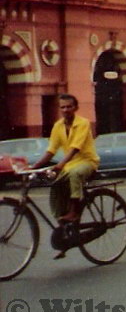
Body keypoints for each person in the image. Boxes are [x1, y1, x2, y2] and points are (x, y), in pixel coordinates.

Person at [31, 94, 100, 223]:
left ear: (75, 108)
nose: (65, 110)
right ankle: (61, 217)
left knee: (75, 174)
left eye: (69, 107)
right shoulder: (58, 126)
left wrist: (60, 165)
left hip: (87, 162)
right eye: (62, 107)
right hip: (70, 164)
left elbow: (75, 148)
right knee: (56, 184)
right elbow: (51, 150)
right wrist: (34, 167)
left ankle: (75, 211)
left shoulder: (83, 123)